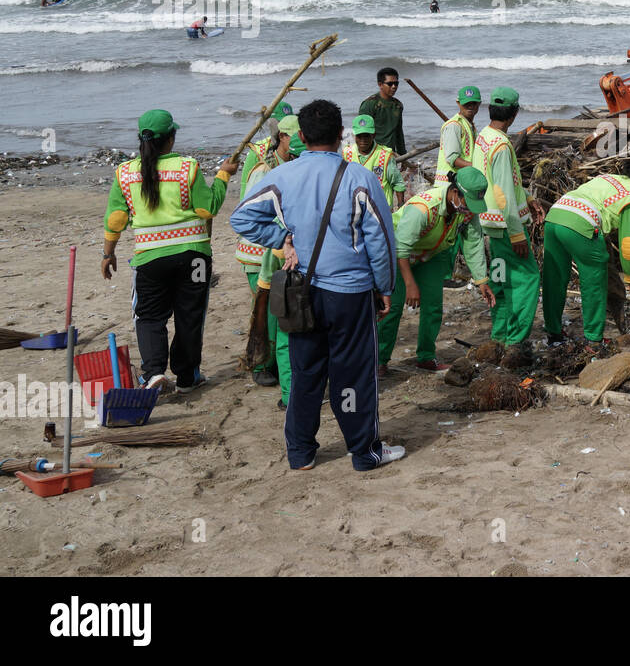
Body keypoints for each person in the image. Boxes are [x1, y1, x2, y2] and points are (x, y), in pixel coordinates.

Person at [230, 99, 404, 472]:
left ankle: (301, 453)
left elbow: (241, 216)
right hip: (351, 294)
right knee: (353, 376)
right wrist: (385, 286)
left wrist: (281, 240)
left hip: (303, 291)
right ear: (341, 134)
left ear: (302, 136)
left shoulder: (285, 175)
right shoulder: (360, 177)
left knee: (306, 372)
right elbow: (381, 238)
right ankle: (364, 452)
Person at [102, 110, 239, 393]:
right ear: (171, 139)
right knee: (190, 315)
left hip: (150, 259)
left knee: (150, 316)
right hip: (194, 257)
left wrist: (108, 254)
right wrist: (224, 175)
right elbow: (207, 208)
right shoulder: (187, 167)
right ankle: (187, 377)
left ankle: (154, 373)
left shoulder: (125, 173)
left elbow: (116, 219)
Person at [378, 168, 496, 374]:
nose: (470, 209)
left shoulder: (466, 211)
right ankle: (379, 360)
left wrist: (481, 280)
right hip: (396, 254)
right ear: (454, 192)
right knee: (392, 308)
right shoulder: (423, 208)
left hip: (430, 254)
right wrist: (410, 284)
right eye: (467, 201)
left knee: (433, 305)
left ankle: (426, 357)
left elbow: (473, 243)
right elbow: (400, 248)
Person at [542, 161, 630, 349]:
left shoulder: (610, 179)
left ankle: (554, 333)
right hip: (581, 223)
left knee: (555, 279)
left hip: (554, 217)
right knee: (594, 281)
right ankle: (594, 339)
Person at [475, 86, 544, 347]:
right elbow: (502, 192)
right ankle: (515, 340)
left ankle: (499, 336)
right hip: (506, 227)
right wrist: (517, 234)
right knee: (528, 279)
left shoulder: (484, 137)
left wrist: (527, 197)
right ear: (514, 114)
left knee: (500, 279)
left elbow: (502, 182)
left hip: (489, 224)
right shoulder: (502, 146)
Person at [235, 126, 302, 390]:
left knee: (277, 313)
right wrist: (279, 239)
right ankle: (262, 364)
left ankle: (273, 365)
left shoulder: (285, 168)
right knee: (267, 312)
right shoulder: (265, 170)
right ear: (282, 138)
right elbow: (248, 214)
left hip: (274, 251)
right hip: (259, 253)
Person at [343, 114, 406, 208]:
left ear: (373, 135)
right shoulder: (347, 154)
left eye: (366, 136)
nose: (363, 140)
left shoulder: (384, 155)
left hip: (380, 210)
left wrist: (401, 208)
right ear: (354, 136)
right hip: (354, 209)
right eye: (359, 136)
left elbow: (398, 183)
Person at [241, 113, 299, 198]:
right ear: (282, 136)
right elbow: (249, 205)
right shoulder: (264, 170)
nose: (299, 142)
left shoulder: (298, 163)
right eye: (294, 138)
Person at [436, 85, 481, 184]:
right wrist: (479, 166)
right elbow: (453, 159)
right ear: (458, 103)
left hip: (461, 181)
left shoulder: (469, 126)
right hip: (449, 185)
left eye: (474, 103)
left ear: (479, 104)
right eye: (466, 103)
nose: (470, 106)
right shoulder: (454, 126)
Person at [359, 67, 407, 155]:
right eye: (390, 84)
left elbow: (399, 132)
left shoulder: (398, 105)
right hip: (374, 153)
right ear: (380, 84)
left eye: (396, 83)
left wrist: (403, 155)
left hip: (390, 153)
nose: (394, 87)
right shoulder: (369, 104)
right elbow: (362, 133)